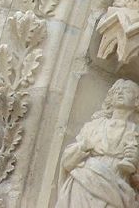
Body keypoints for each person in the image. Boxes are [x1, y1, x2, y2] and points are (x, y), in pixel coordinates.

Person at [55, 79, 139, 208]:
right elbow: (67, 161)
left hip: (118, 190)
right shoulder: (93, 126)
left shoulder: (136, 132)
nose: (120, 93)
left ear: (137, 100)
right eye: (117, 90)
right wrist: (84, 146)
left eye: (126, 90)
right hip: (84, 183)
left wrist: (136, 165)